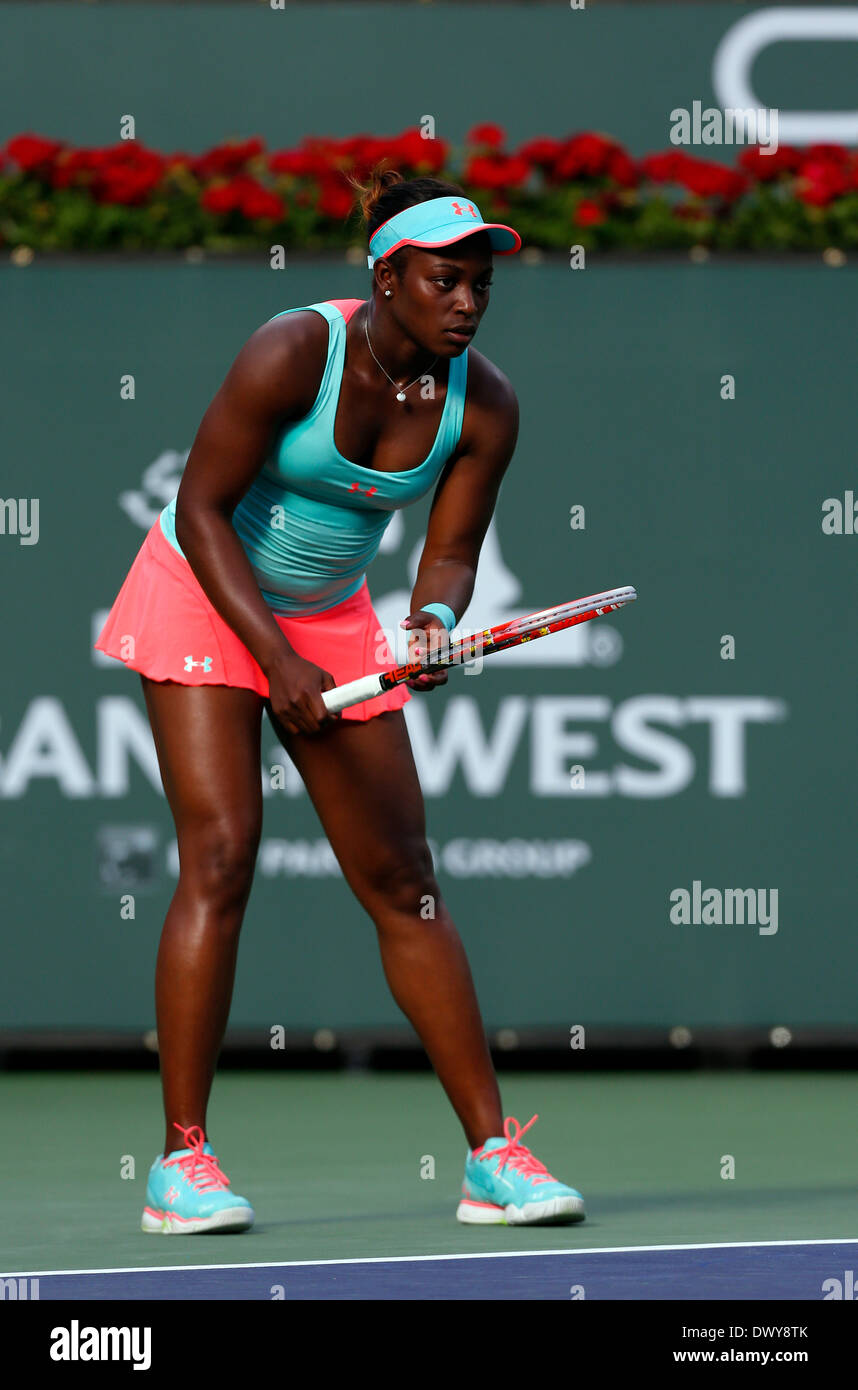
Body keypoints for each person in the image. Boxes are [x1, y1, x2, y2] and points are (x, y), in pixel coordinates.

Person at [95, 167, 586, 1232]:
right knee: (221, 856)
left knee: (405, 877)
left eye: (481, 286)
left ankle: (494, 1157)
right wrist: (275, 663)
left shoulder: (485, 401)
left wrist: (433, 629)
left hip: (327, 615)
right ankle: (183, 1164)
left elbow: (449, 553)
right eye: (445, 281)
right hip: (201, 588)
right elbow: (202, 506)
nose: (467, 302)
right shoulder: (293, 349)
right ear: (386, 277)